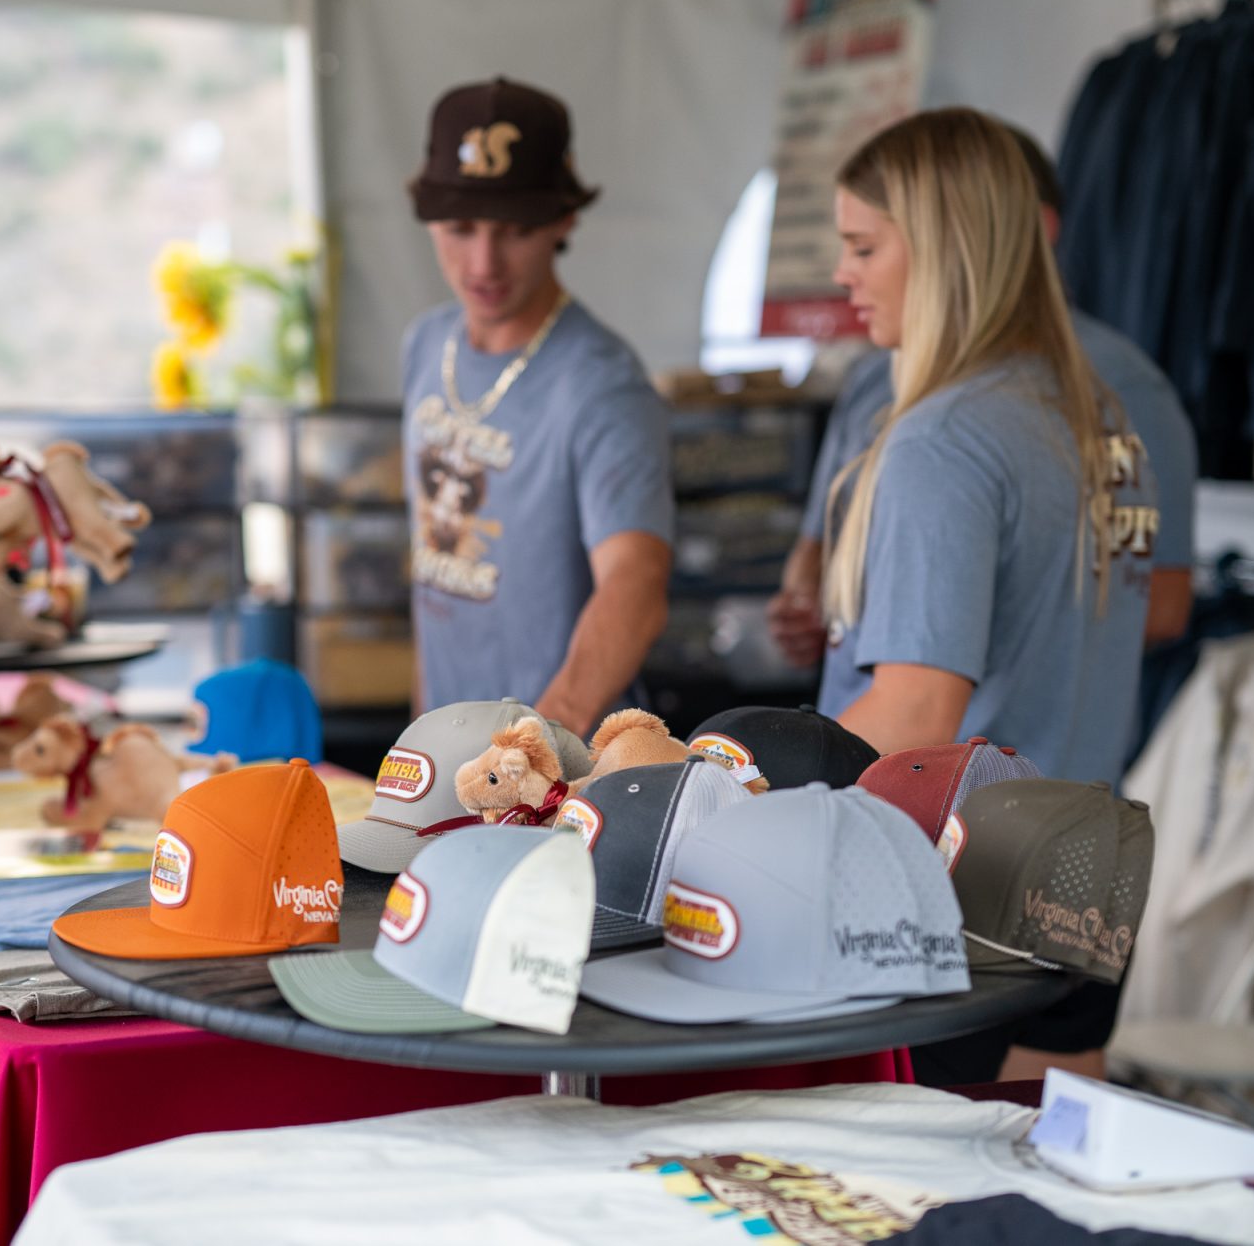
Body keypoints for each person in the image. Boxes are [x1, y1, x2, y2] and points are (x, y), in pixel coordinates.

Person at [787, 111, 1161, 1090]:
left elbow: (914, 715)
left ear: (945, 248)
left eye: (864, 245)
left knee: (901, 1171)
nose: (842, 273)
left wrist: (738, 798)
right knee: (1040, 1160)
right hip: (1085, 874)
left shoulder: (945, 439)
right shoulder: (1099, 416)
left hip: (944, 891)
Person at [771, 122, 1196, 674]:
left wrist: (932, 621)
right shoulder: (877, 376)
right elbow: (818, 547)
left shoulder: (1113, 390)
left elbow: (1152, 599)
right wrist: (819, 607)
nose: (842, 273)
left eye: (865, 247)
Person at [400, 77, 673, 737]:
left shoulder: (601, 383)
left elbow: (635, 586)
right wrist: (422, 743)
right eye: (460, 228)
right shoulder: (425, 345)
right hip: (448, 752)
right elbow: (434, 580)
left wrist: (537, 750)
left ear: (563, 219)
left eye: (515, 230)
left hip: (559, 766)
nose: (483, 262)